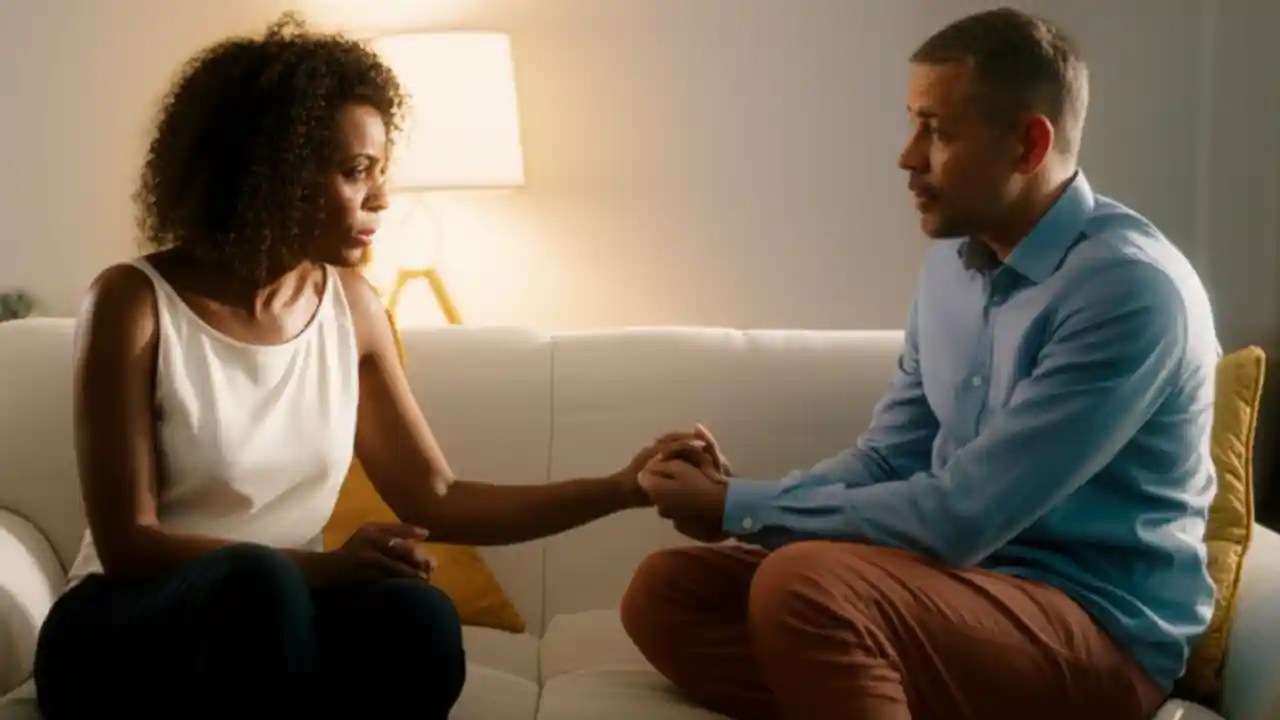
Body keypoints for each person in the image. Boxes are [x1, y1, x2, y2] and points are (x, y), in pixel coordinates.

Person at [31, 15, 686, 719]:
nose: (381, 199)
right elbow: (131, 543)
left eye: (380, 171)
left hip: (272, 626)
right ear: (270, 174)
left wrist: (623, 487)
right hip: (126, 627)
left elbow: (437, 496)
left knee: (418, 620)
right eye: (355, 173)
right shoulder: (133, 303)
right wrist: (324, 569)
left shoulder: (352, 308)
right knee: (256, 582)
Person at [622, 8, 1219, 720]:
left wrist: (735, 509)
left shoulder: (1128, 290)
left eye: (936, 131)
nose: (907, 156)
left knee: (805, 584)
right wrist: (740, 496)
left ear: (1029, 145)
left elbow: (961, 515)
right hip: (951, 594)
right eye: (913, 124)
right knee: (668, 592)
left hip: (1094, 631)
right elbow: (886, 460)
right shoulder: (950, 272)